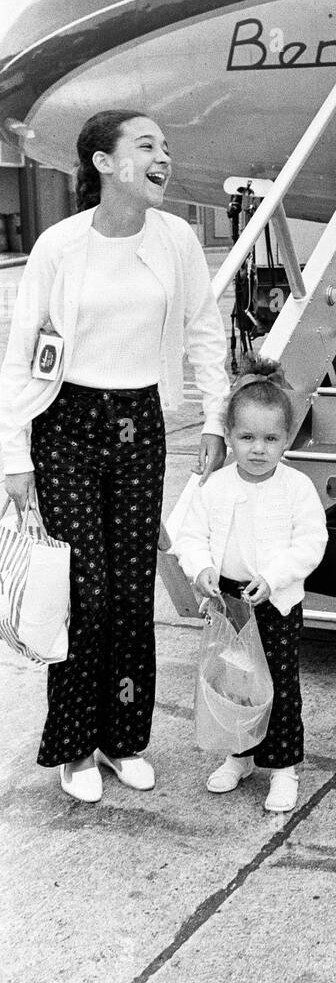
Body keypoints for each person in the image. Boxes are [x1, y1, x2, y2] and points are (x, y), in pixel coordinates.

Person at [0, 110, 230, 803]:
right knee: (83, 594)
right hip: (65, 422)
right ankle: (73, 745)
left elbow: (203, 330)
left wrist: (215, 415)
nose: (164, 156)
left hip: (139, 425)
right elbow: (21, 357)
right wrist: (15, 457)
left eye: (166, 144)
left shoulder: (177, 240)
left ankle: (122, 738)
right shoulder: (59, 247)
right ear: (103, 162)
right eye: (147, 145)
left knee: (132, 595)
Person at [171, 358, 327, 813]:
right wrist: (201, 569)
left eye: (270, 439)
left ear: (287, 439)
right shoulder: (214, 486)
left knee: (278, 682)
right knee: (233, 681)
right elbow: (191, 536)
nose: (258, 449)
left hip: (274, 603)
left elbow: (311, 542)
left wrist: (275, 576)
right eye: (246, 438)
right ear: (230, 437)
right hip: (228, 602)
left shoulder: (296, 488)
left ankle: (282, 767)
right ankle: (238, 754)